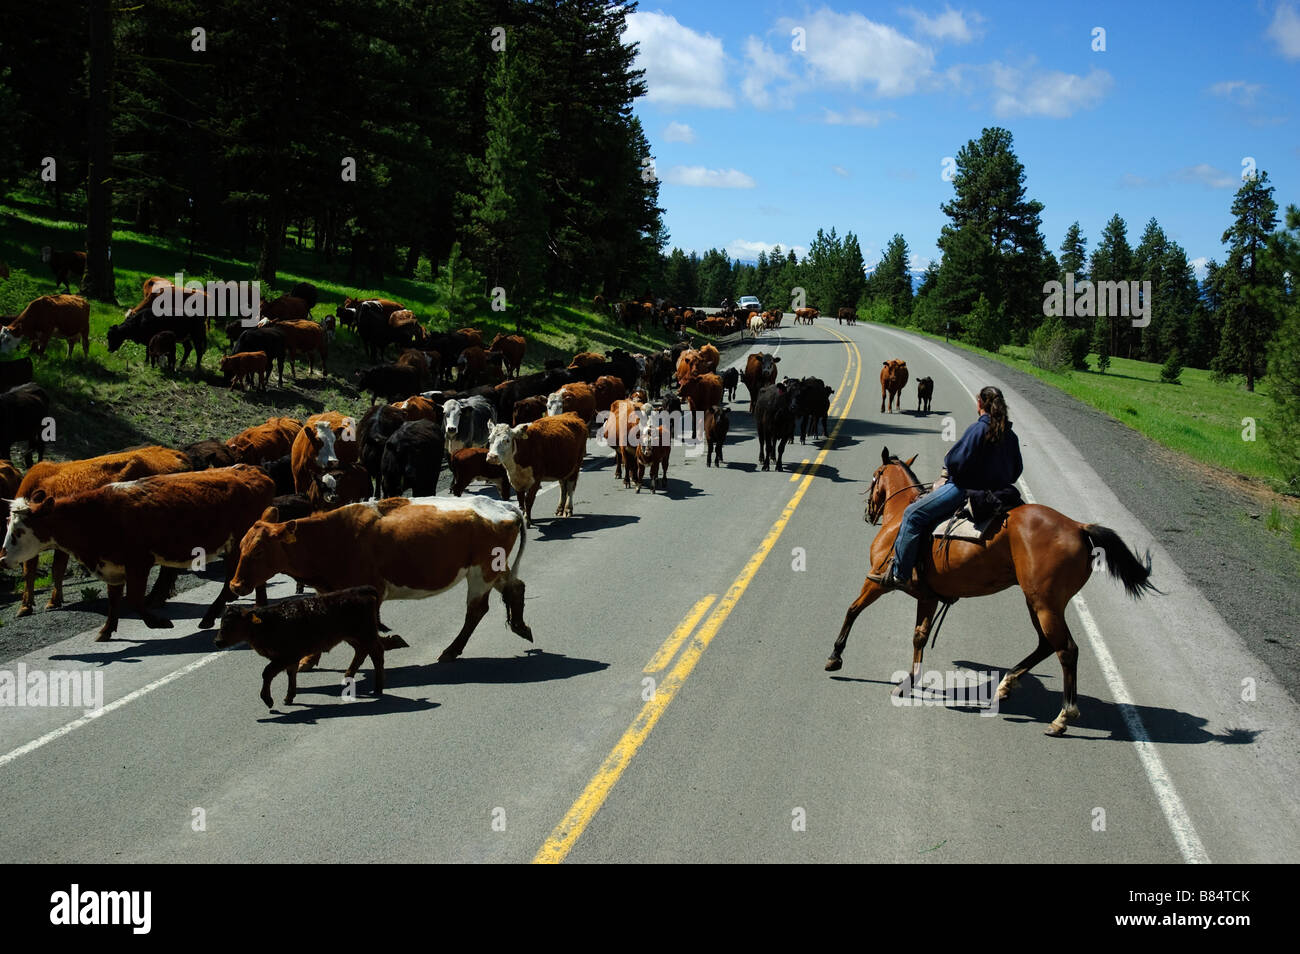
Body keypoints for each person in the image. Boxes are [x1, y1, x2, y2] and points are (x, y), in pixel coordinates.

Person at [868, 385, 1023, 591]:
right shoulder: (1011, 436)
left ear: (980, 404)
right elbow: (1016, 472)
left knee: (912, 514)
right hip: (1001, 493)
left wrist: (949, 470)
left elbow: (955, 462)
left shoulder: (978, 429)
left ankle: (900, 574)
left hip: (964, 489)